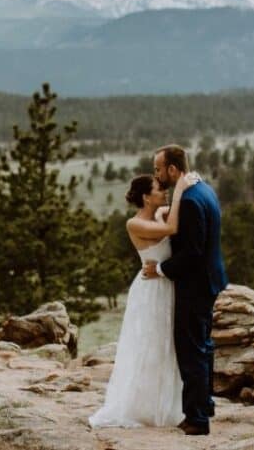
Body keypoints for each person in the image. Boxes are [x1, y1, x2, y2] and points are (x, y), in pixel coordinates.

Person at [88, 170, 199, 428]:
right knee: (150, 344)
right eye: (159, 189)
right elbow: (171, 227)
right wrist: (181, 189)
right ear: (147, 198)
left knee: (168, 345)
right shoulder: (134, 223)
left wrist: (191, 188)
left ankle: (168, 404)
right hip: (150, 290)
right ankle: (143, 406)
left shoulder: (159, 213)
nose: (164, 191)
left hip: (165, 284)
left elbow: (174, 214)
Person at [142, 144, 228, 436]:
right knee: (203, 345)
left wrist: (162, 270)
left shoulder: (190, 200)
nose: (156, 174)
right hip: (209, 280)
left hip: (195, 284)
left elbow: (192, 252)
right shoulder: (203, 189)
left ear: (173, 170)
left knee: (190, 349)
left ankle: (197, 419)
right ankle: (205, 404)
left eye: (158, 168)